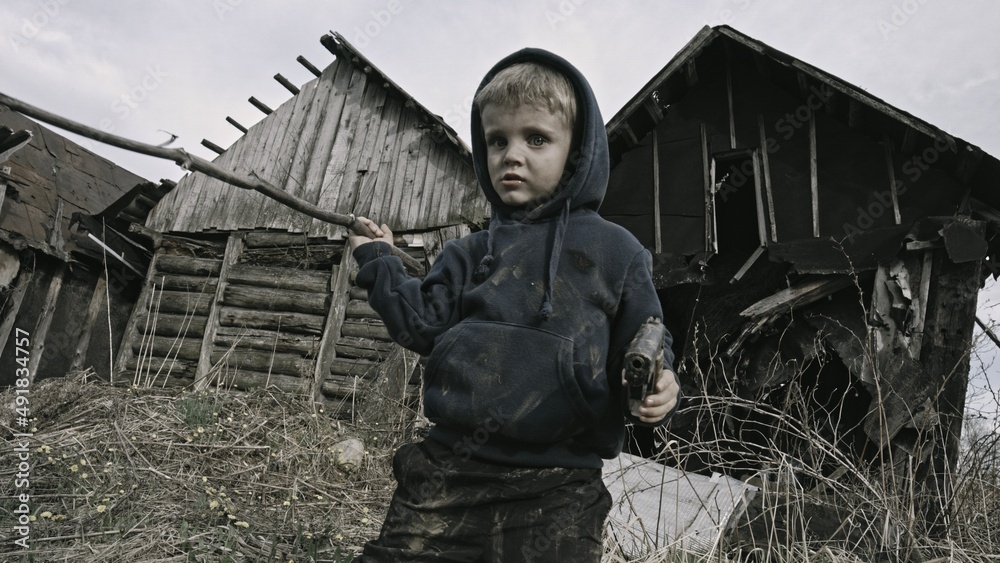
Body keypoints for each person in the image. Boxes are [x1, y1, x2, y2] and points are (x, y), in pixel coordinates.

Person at [348, 47, 680, 562]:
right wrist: (380, 258)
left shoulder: (617, 252)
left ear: (577, 152)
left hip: (559, 484)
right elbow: (418, 323)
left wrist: (660, 384)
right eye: (497, 140)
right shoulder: (469, 253)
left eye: (537, 138)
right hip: (450, 470)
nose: (512, 154)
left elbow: (645, 338)